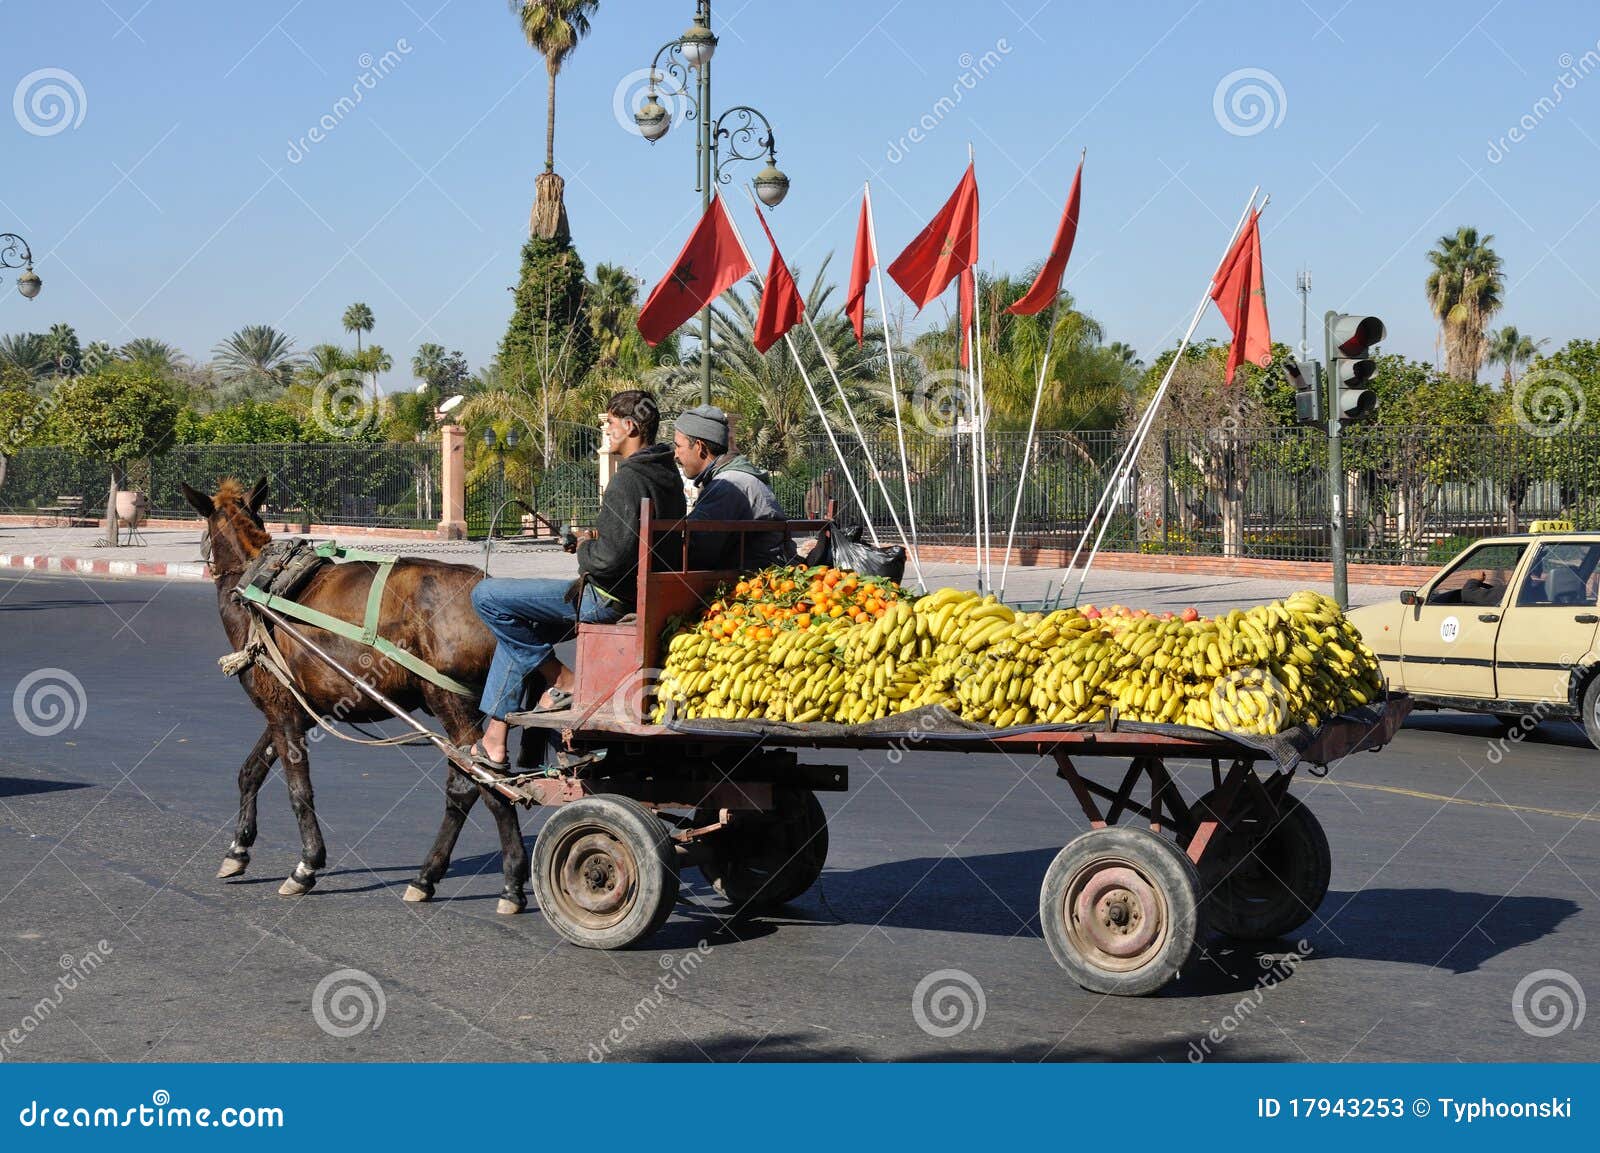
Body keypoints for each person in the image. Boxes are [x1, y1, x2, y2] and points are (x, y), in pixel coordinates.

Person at [467, 390, 686, 771]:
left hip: (606, 598)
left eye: (610, 424)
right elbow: (631, 542)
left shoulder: (628, 480)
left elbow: (609, 561)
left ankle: (564, 680)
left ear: (630, 426)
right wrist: (592, 539)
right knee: (520, 630)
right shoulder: (665, 476)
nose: (607, 431)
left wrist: (585, 553)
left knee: (487, 596)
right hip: (640, 594)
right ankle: (495, 740)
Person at [671, 404, 797, 571]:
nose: (675, 454)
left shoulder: (727, 485)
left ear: (700, 447)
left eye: (679, 446)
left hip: (753, 584)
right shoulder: (734, 478)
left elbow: (697, 552)